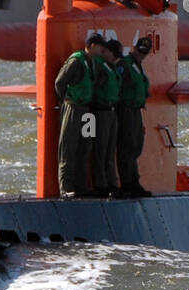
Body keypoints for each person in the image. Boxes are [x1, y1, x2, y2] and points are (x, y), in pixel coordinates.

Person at [54, 33, 104, 197]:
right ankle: (66, 189)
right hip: (74, 108)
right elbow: (59, 82)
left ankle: (81, 187)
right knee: (68, 148)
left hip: (87, 112)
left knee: (85, 148)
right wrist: (65, 101)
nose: (102, 50)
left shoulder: (93, 63)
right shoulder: (76, 61)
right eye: (100, 47)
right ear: (91, 46)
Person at [116, 36, 154, 197]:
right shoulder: (124, 64)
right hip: (125, 110)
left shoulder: (138, 66)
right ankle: (128, 183)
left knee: (136, 146)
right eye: (140, 51)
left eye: (144, 52)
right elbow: (117, 84)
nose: (141, 54)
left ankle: (134, 182)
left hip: (136, 110)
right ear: (135, 48)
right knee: (127, 146)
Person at [89, 39, 121, 196]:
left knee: (109, 151)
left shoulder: (110, 66)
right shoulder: (99, 65)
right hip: (100, 112)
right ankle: (100, 185)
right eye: (113, 54)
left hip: (112, 111)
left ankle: (111, 184)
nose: (115, 58)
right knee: (100, 150)